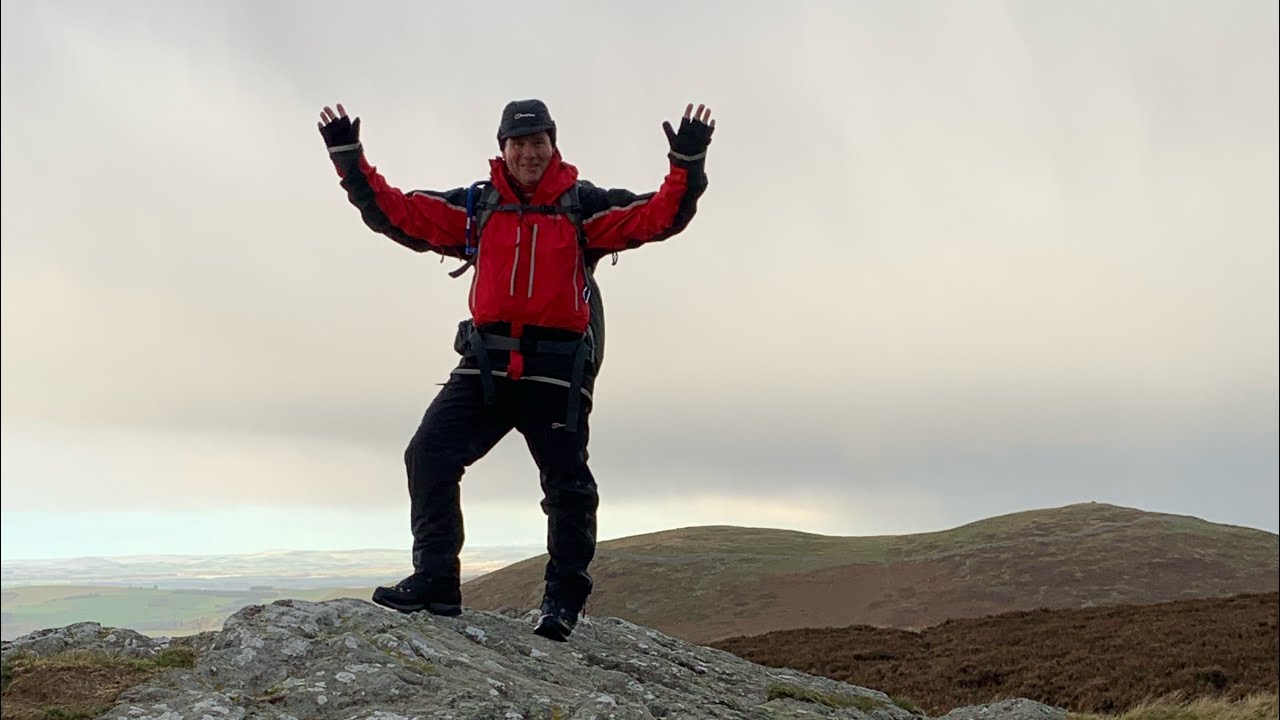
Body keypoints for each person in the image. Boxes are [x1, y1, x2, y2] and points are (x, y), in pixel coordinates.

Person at [317, 98, 714, 641]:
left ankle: (563, 601)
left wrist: (686, 164)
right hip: (485, 365)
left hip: (555, 371)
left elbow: (657, 216)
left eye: (538, 143)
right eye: (518, 143)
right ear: (502, 149)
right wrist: (349, 157)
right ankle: (436, 582)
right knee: (428, 453)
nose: (529, 153)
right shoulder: (477, 207)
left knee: (567, 487)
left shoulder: (582, 208)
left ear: (554, 146)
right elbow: (397, 211)